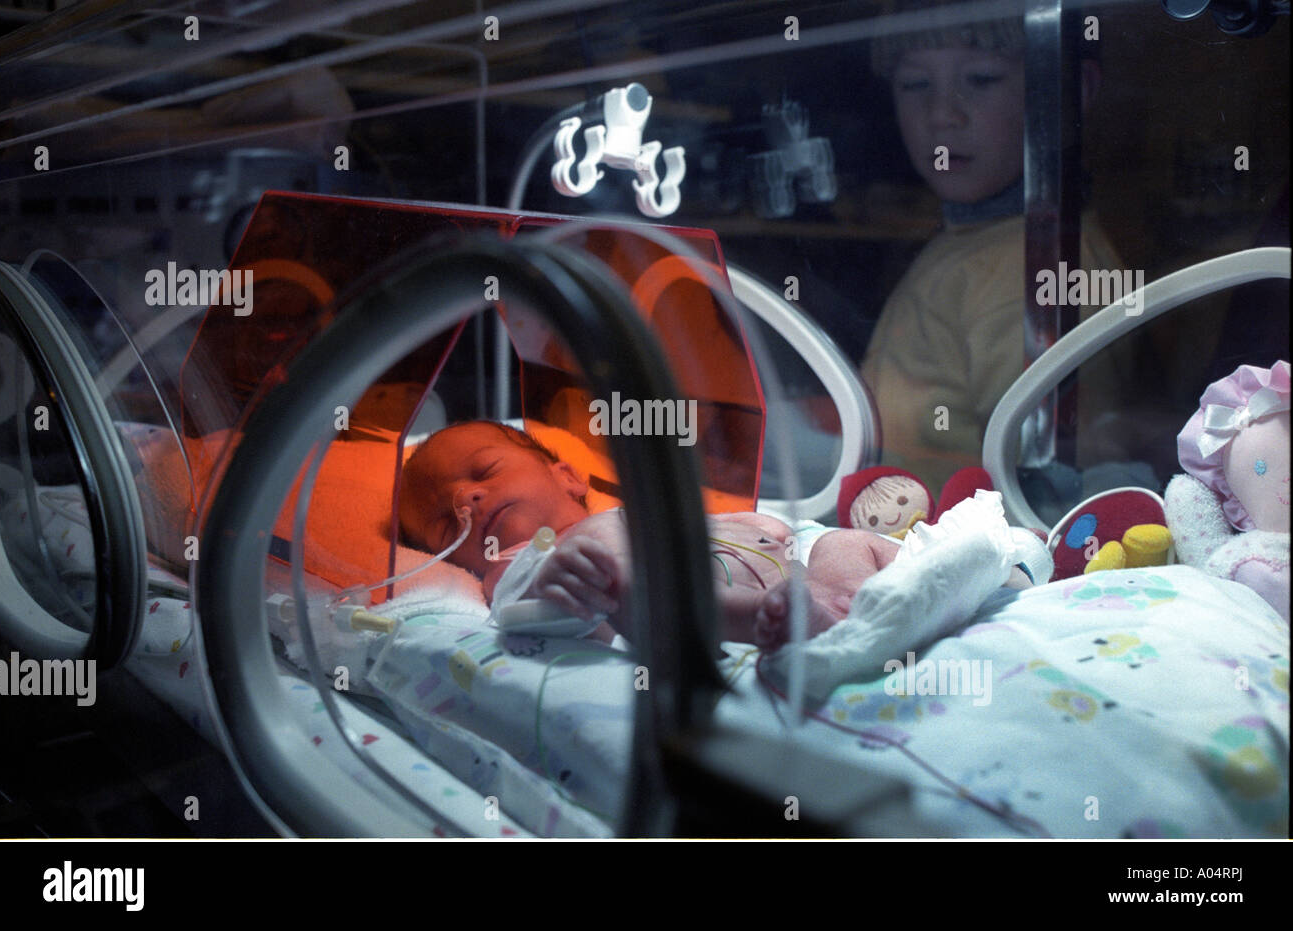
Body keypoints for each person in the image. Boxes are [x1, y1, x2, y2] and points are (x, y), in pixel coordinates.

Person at [399, 421, 1036, 650]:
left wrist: (777, 531)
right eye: (438, 520)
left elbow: (789, 535)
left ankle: (984, 569)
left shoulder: (648, 505)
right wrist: (561, 594)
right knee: (639, 582)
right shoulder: (533, 557)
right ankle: (775, 619)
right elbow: (520, 615)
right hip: (700, 601)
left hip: (802, 571)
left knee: (846, 544)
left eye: (481, 473)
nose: (463, 499)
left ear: (566, 476)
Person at [860, 14, 1125, 494]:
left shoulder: (1030, 266)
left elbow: (1044, 496)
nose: (942, 113)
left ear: (1072, 91)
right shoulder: (974, 240)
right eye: (916, 83)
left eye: (981, 79)